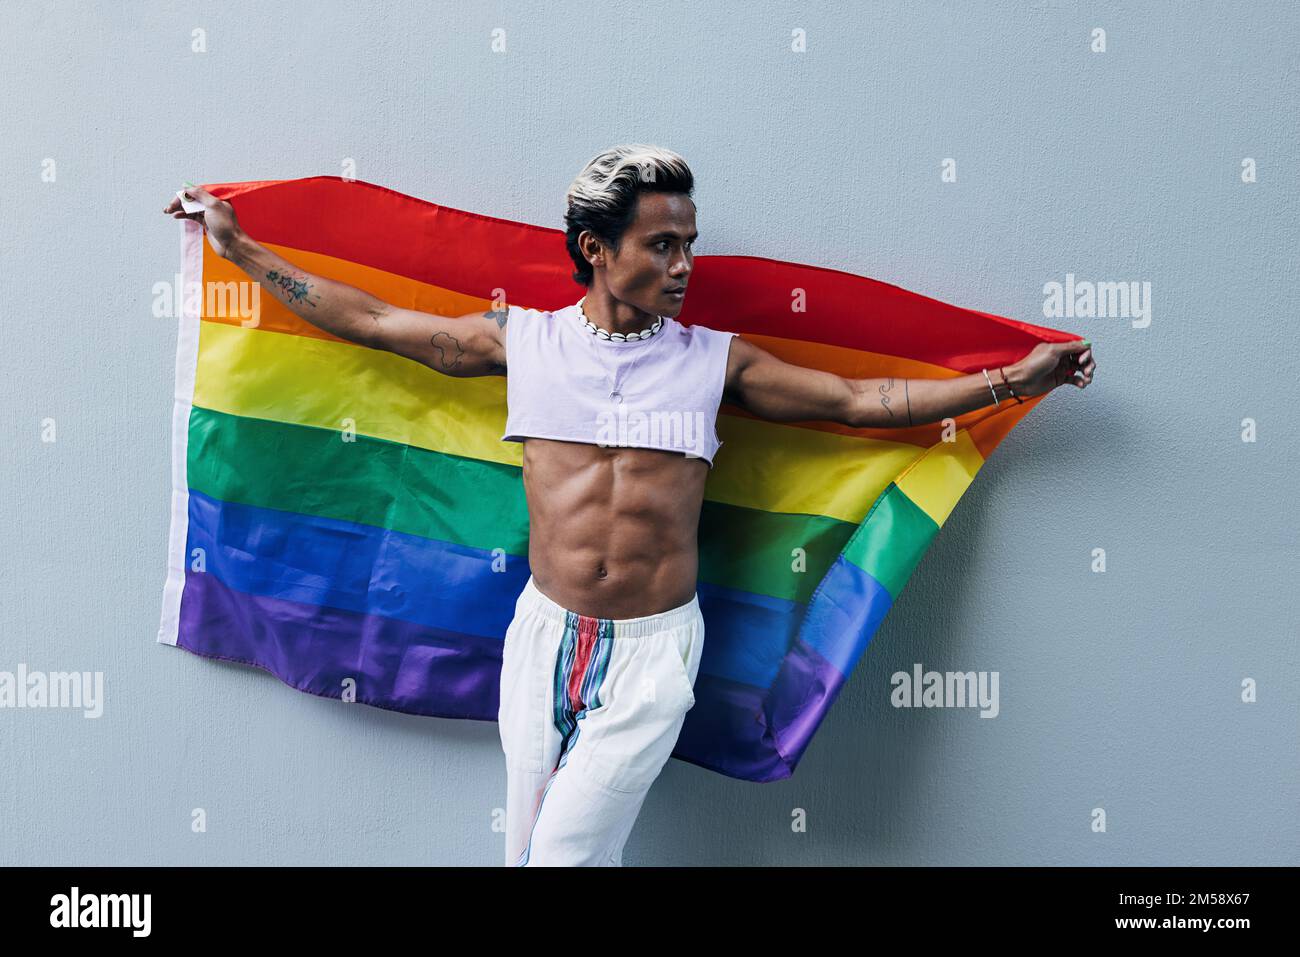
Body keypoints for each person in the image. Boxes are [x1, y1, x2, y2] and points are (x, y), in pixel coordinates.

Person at [163, 144, 1096, 866]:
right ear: (596, 251)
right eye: (663, 244)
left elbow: (859, 404)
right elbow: (370, 321)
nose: (685, 263)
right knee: (544, 850)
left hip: (653, 651)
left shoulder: (712, 361)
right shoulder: (521, 342)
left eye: (689, 243)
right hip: (540, 638)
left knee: (562, 856)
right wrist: (241, 248)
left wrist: (1013, 378)